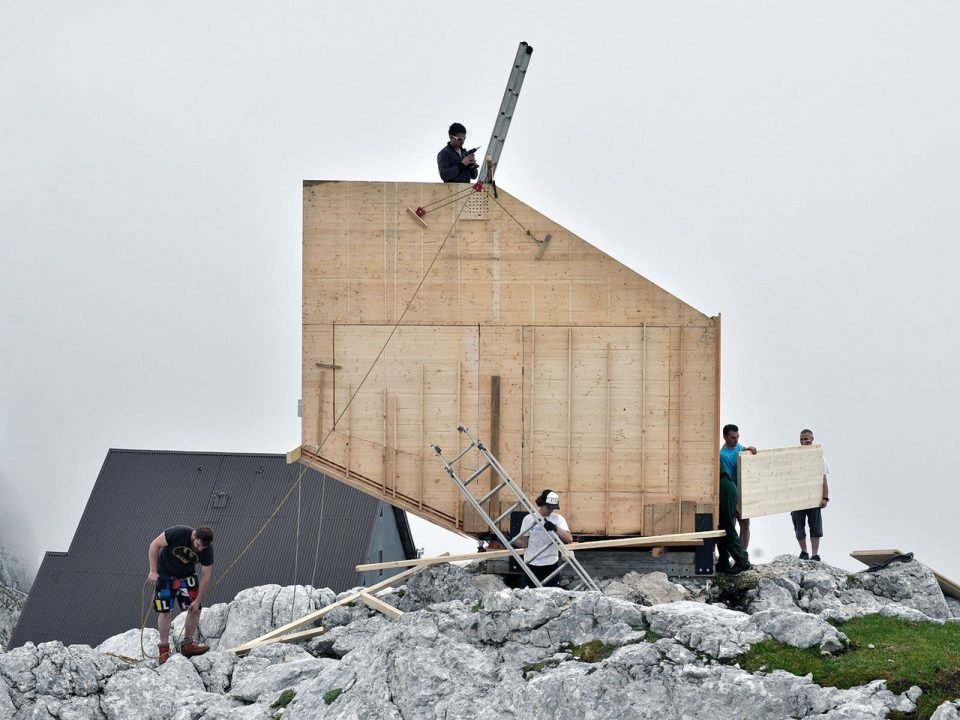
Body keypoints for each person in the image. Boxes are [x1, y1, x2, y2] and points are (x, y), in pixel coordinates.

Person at [147, 525, 214, 664]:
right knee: (165, 611)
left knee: (195, 609)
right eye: (198, 545)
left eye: (203, 548)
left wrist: (198, 600)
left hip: (186, 578)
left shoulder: (207, 550)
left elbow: (206, 575)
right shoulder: (177, 533)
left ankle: (188, 644)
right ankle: (164, 650)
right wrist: (153, 571)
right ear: (194, 535)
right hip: (165, 575)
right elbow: (155, 544)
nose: (200, 549)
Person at [515, 489, 573, 587]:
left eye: (553, 508)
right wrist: (510, 541)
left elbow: (569, 539)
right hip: (532, 564)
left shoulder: (558, 519)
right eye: (548, 507)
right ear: (541, 504)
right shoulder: (529, 519)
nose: (551, 510)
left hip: (550, 565)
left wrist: (555, 528)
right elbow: (524, 544)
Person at [791, 428, 831, 561]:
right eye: (801, 439)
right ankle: (804, 551)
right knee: (798, 526)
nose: (804, 441)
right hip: (798, 497)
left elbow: (823, 479)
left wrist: (825, 498)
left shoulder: (820, 457)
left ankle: (815, 554)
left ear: (812, 439)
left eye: (806, 439)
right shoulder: (794, 457)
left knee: (815, 526)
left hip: (814, 497)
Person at [719, 424, 757, 550]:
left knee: (745, 524)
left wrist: (750, 448)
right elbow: (728, 480)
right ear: (725, 437)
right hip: (731, 494)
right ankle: (733, 555)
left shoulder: (738, 447)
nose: (736, 440)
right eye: (732, 438)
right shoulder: (723, 455)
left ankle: (743, 555)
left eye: (737, 437)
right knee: (732, 525)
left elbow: (744, 452)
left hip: (743, 492)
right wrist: (734, 504)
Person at [717, 468, 751, 573]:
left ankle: (742, 561)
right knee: (719, 527)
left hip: (724, 488)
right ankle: (723, 562)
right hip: (724, 487)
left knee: (726, 527)